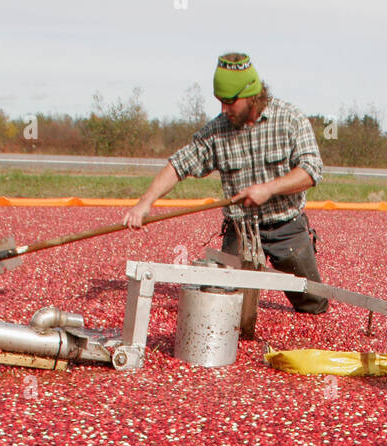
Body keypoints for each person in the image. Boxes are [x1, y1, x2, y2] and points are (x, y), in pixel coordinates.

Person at [124, 53, 328, 314]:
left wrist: (269, 189)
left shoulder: (290, 119)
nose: (223, 109)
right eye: (220, 102)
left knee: (313, 305)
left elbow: (311, 171)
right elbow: (178, 165)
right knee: (224, 309)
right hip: (240, 231)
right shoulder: (217, 131)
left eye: (230, 102)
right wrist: (144, 204)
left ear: (252, 95)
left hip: (286, 228)